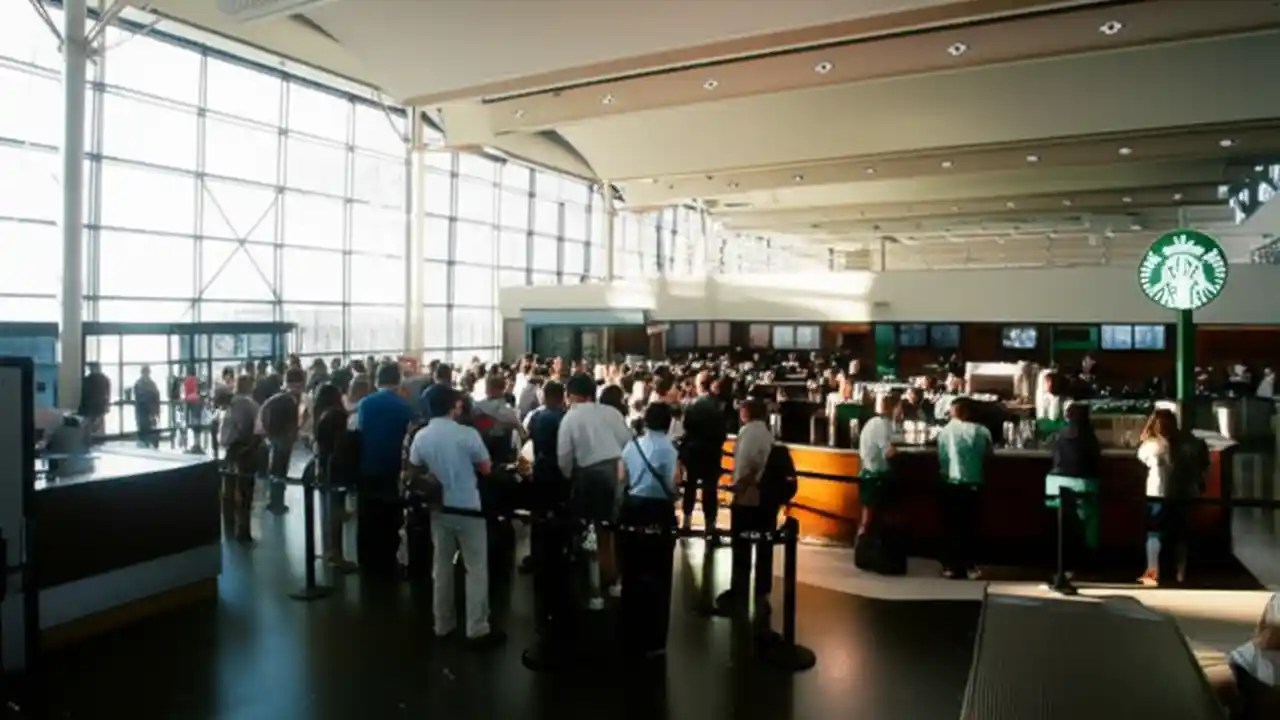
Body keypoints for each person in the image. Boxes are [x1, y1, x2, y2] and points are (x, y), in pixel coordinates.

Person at [407, 387, 505, 648]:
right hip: (469, 507)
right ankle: (477, 627)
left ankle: (442, 623)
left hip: (439, 509)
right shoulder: (468, 434)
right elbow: (486, 469)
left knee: (441, 567)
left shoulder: (421, 436)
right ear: (453, 406)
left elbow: (414, 469)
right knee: (476, 569)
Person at [557, 373, 633, 610]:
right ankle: (615, 582)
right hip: (617, 471)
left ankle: (594, 592)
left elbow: (564, 456)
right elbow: (627, 442)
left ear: (571, 395)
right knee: (609, 532)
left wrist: (569, 476)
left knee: (588, 534)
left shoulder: (570, 418)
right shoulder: (611, 413)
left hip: (589, 475)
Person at [619, 402, 681, 659]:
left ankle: (628, 632)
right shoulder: (670, 450)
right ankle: (654, 640)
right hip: (659, 512)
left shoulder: (631, 446)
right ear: (668, 423)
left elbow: (622, 478)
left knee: (631, 572)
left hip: (632, 509)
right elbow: (674, 485)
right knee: (659, 575)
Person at [715, 398, 776, 616]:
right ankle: (762, 594)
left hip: (748, 498)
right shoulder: (767, 433)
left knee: (741, 548)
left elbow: (749, 466)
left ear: (747, 411)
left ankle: (739, 593)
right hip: (765, 500)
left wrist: (737, 489)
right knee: (763, 549)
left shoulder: (749, 433)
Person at [355, 362, 415, 577]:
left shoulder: (365, 404)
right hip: (392, 467)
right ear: (398, 381)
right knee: (390, 516)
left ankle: (366, 560)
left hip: (367, 465)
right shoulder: (405, 406)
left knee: (367, 515)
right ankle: (388, 561)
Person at [1137, 408, 1207, 586]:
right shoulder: (1193, 444)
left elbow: (1141, 458)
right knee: (1181, 536)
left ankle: (1153, 574)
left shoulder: (1151, 446)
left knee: (1154, 533)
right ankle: (1181, 574)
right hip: (1183, 494)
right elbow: (1203, 465)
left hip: (1157, 493)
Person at [936, 398, 993, 580]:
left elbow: (942, 458)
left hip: (951, 482)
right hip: (974, 482)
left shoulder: (945, 432)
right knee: (971, 526)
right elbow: (989, 455)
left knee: (951, 526)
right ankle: (970, 567)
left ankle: (950, 567)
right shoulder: (982, 431)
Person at [1048, 402, 1103, 573]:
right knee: (1089, 522)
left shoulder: (1060, 434)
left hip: (1055, 484)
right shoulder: (1090, 436)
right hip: (1084, 485)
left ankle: (1061, 564)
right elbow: (1095, 462)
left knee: (1061, 523)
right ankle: (1087, 558)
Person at [313, 383, 358, 572]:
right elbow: (343, 443)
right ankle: (336, 555)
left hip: (324, 466)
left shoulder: (321, 415)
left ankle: (330, 551)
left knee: (329, 510)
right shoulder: (337, 416)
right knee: (335, 510)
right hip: (337, 467)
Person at [680, 374, 728, 537]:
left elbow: (685, 427)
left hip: (693, 452)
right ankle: (710, 525)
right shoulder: (718, 405)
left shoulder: (691, 405)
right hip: (711, 453)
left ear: (699, 385)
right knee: (710, 490)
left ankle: (686, 521)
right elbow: (723, 431)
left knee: (690, 488)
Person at [219, 374, 261, 543]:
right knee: (243, 491)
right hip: (241, 449)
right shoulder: (246, 404)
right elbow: (249, 427)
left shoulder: (236, 404)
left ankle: (231, 525)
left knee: (231, 489)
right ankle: (242, 529)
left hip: (235, 448)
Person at [258, 367, 305, 513]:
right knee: (280, 470)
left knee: (276, 470)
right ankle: (277, 502)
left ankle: (275, 501)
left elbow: (264, 414)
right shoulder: (290, 401)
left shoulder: (275, 399)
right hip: (283, 439)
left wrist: (267, 433)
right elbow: (292, 423)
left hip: (275, 438)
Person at [857, 394, 896, 540]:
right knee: (869, 519)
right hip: (875, 476)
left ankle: (864, 547)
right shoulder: (882, 425)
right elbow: (888, 452)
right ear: (892, 408)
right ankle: (864, 547)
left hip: (867, 473)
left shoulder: (874, 422)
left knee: (868, 517)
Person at [78, 362, 112, 437]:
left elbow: (84, 394)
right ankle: (99, 440)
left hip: (89, 407)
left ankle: (90, 440)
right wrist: (107, 405)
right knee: (98, 426)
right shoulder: (104, 379)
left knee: (89, 427)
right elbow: (107, 394)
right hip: (99, 406)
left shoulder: (87, 380)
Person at [132, 366, 161, 449]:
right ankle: (145, 442)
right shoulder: (148, 384)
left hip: (147, 409)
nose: (146, 374)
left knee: (147, 426)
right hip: (144, 409)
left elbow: (155, 396)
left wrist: (156, 410)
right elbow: (156, 396)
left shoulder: (142, 383)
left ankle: (147, 442)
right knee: (144, 426)